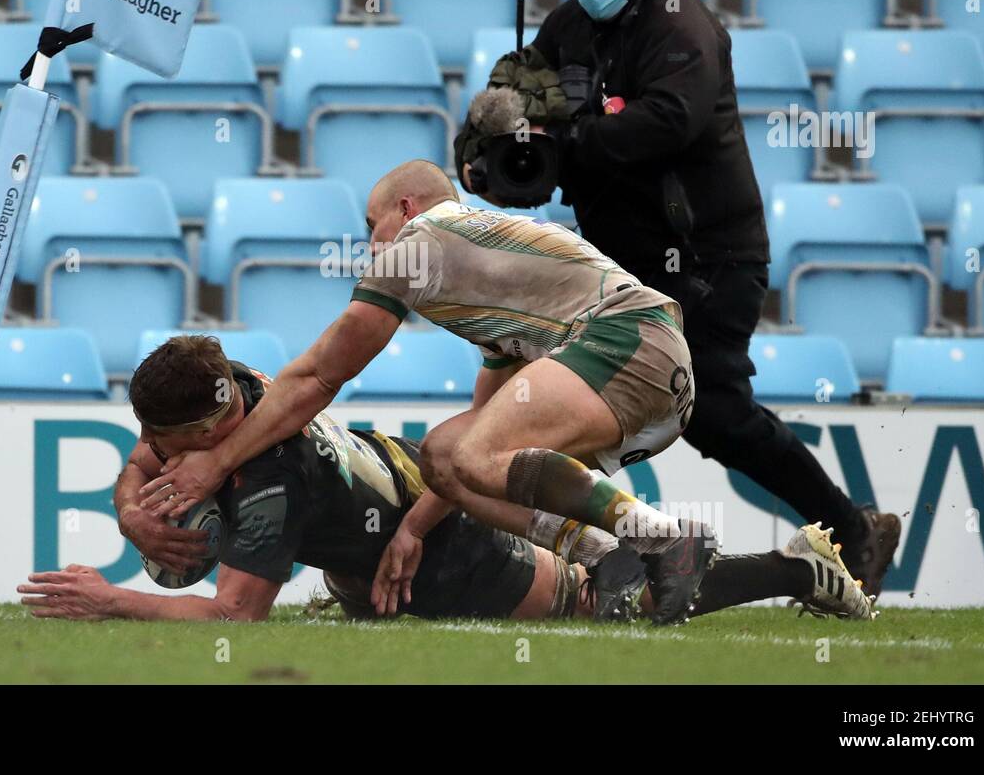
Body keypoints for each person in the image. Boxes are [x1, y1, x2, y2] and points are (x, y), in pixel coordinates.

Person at [481, 0, 899, 593]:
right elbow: (524, 98)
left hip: (708, 259)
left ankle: (855, 530)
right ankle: (556, 560)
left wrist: (571, 138)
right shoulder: (567, 30)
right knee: (571, 397)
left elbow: (666, 121)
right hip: (616, 264)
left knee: (715, 414)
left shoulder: (684, 29)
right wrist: (494, 142)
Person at [147, 162, 720, 625]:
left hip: (626, 339)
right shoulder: (496, 284)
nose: (373, 249)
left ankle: (665, 540)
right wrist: (412, 529)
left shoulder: (419, 245)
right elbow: (474, 462)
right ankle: (612, 555)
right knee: (452, 456)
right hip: (659, 374)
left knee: (465, 453)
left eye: (373, 228)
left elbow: (319, 375)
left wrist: (218, 461)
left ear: (405, 210)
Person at [17, 337, 874, 623]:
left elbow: (232, 615)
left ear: (210, 431)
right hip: (398, 490)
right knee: (591, 567)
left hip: (440, 544)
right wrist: (133, 514)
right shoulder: (233, 383)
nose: (160, 458)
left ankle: (800, 566)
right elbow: (142, 452)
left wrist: (115, 595)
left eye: (174, 448)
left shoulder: (272, 478)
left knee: (604, 603)